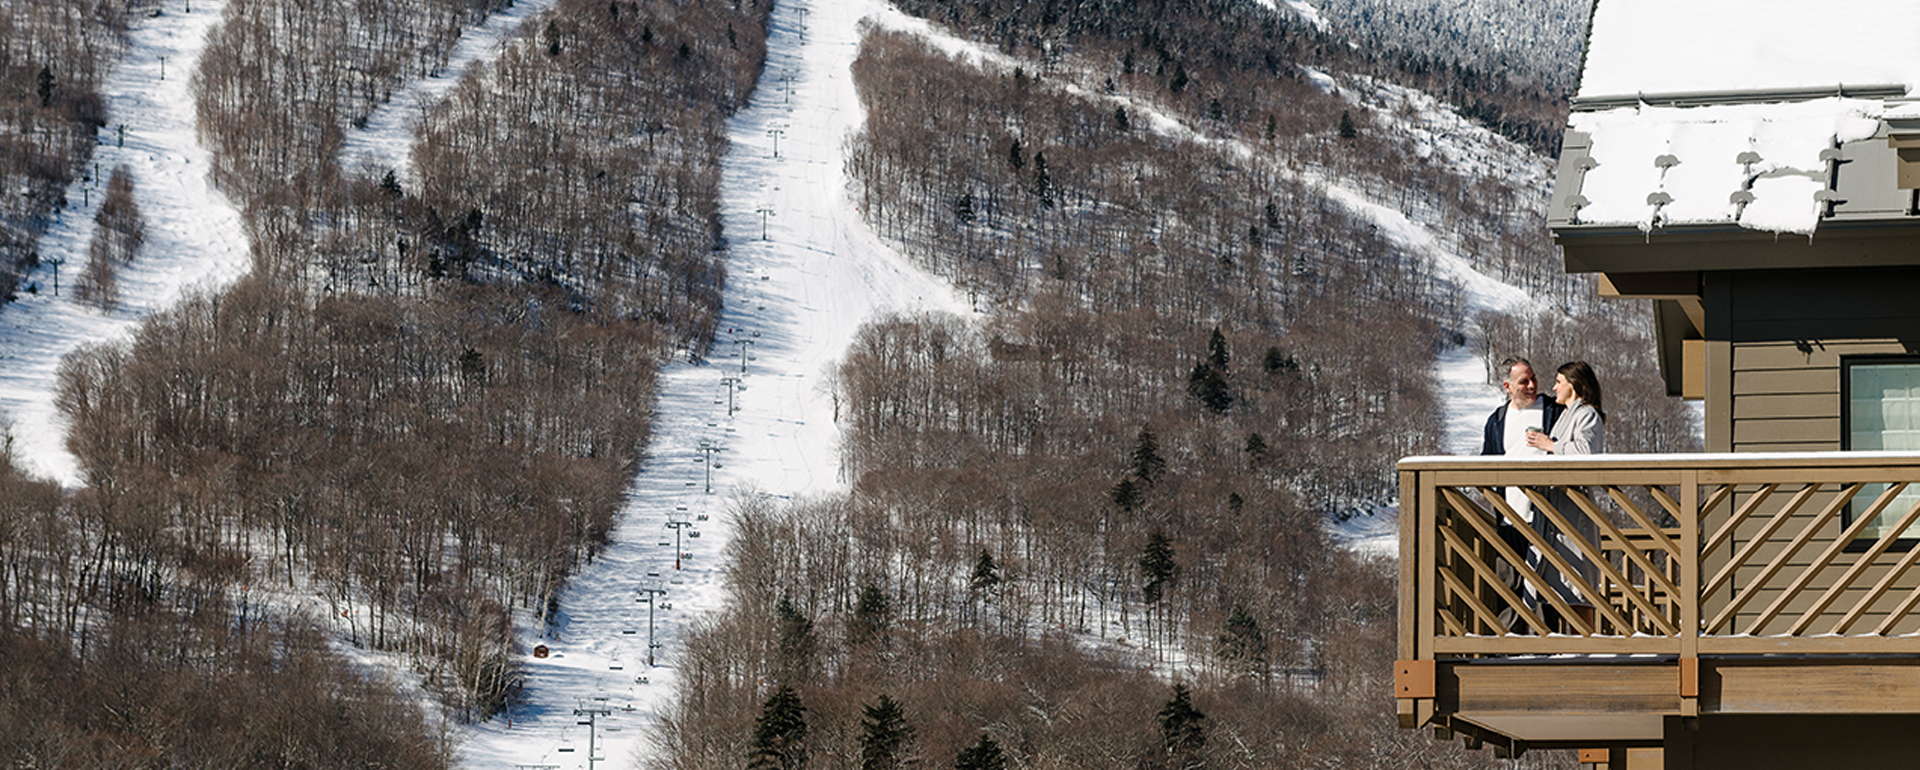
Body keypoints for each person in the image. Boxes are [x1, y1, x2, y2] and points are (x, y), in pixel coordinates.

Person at [1479, 357, 1564, 634]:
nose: (1531, 385)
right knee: (1509, 581)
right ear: (1507, 386)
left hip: (1547, 513)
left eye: (1533, 378)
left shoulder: (1553, 410)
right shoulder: (1497, 420)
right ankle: (1508, 643)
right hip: (1508, 514)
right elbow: (1486, 462)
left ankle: (1546, 642)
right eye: (1524, 381)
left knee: (1545, 582)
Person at [1524, 361, 1606, 631]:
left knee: (1577, 588)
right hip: (1554, 515)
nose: (1554, 387)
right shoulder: (1565, 416)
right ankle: (1563, 648)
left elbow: (1586, 453)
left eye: (1559, 381)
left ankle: (1585, 649)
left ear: (1574, 384)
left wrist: (1549, 445)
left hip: (1573, 515)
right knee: (1555, 588)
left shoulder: (1588, 415)